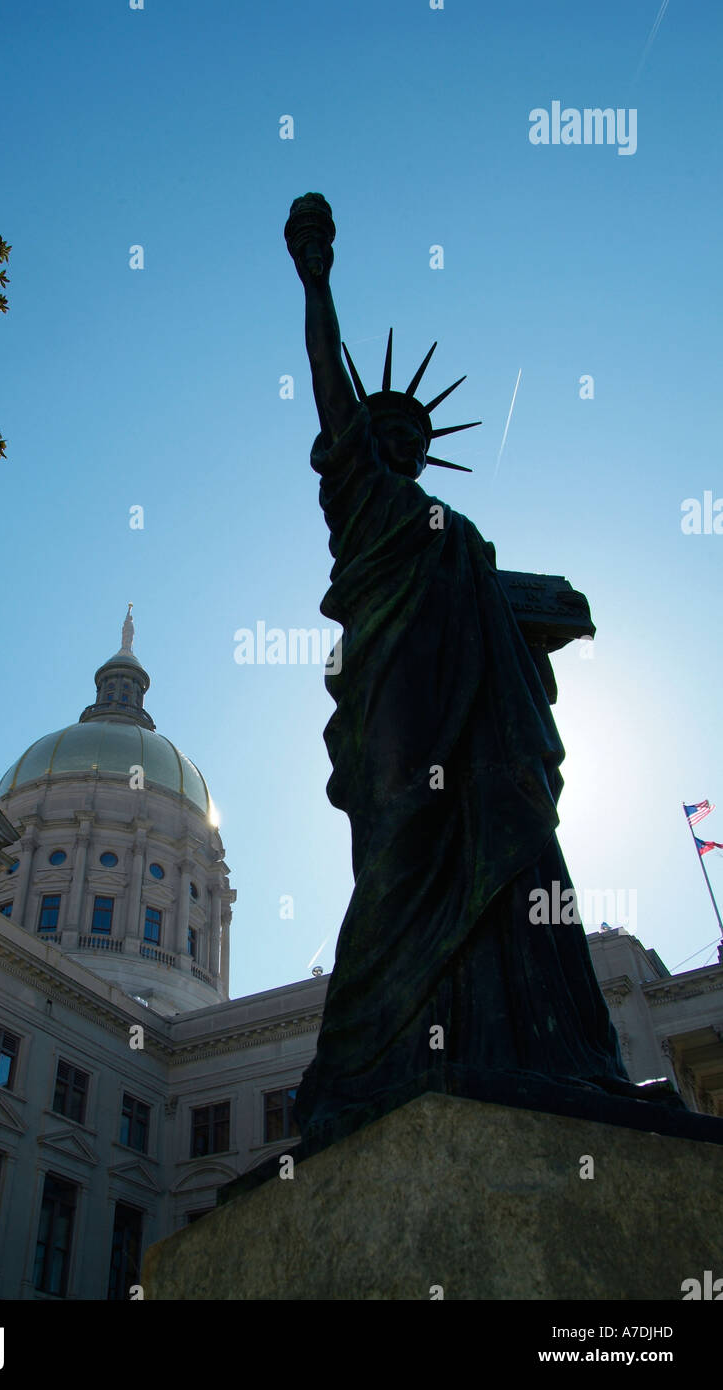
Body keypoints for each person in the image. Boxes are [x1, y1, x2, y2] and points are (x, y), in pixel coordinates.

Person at [286, 194, 641, 1158]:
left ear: (428, 446)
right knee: (402, 854)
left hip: (486, 724)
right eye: (382, 423)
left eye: (411, 431)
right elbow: (328, 379)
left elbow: (501, 609)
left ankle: (533, 1046)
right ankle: (364, 1059)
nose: (396, 436)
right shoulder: (361, 493)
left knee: (513, 855)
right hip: (396, 705)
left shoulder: (457, 535)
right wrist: (316, 275)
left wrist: (545, 613)